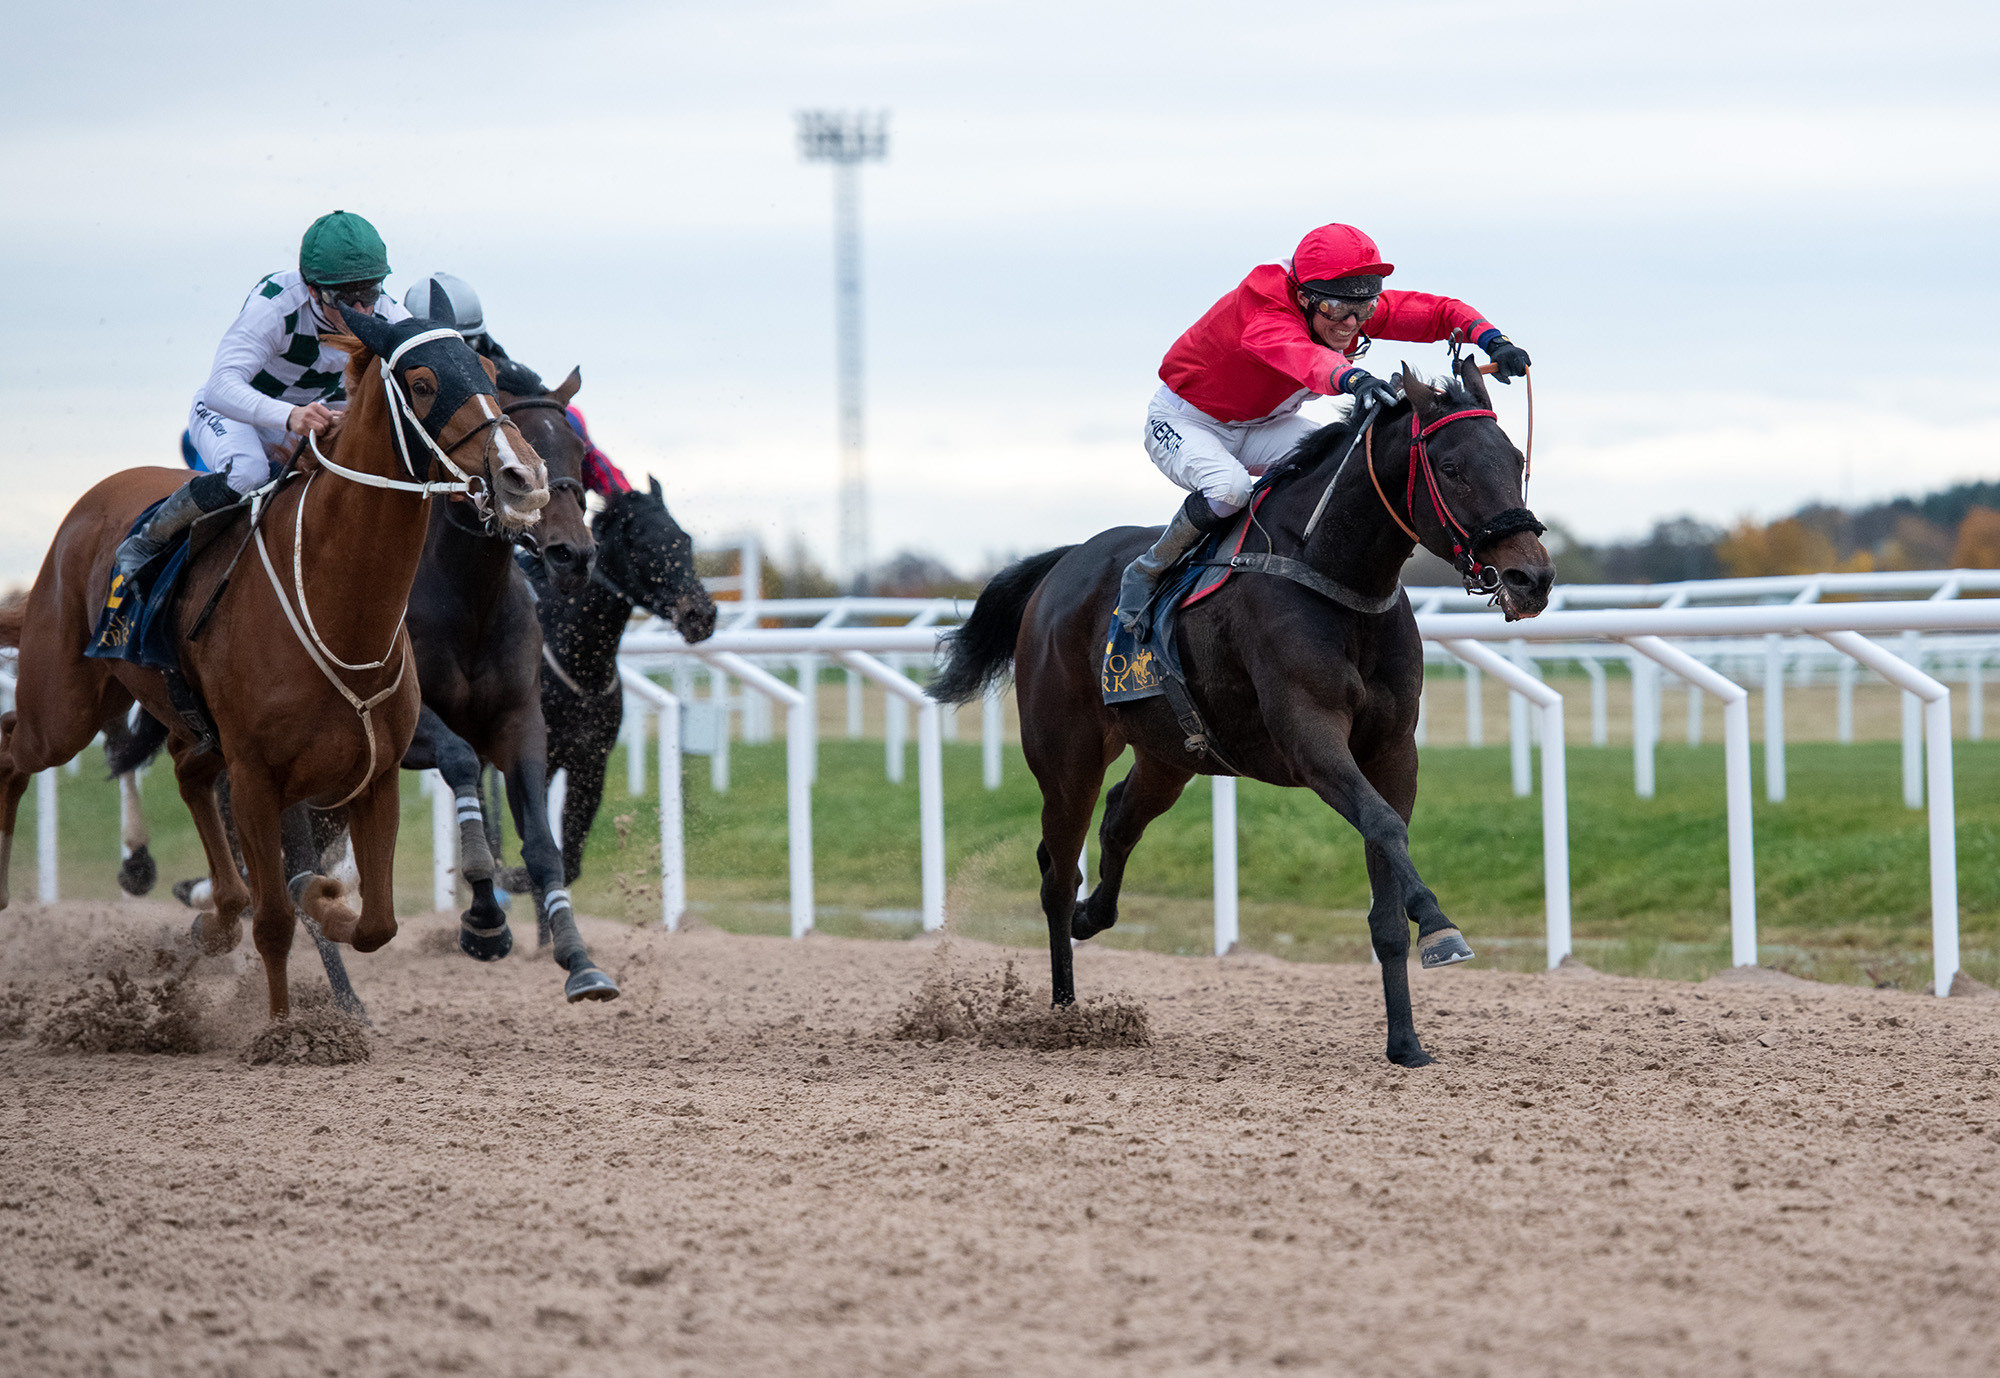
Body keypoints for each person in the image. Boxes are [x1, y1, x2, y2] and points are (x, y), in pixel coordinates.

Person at [1116, 222, 1531, 632]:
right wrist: (1354, 380)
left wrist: (1493, 340)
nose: (1349, 324)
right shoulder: (1263, 311)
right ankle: (1149, 570)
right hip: (1185, 421)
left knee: (1341, 465)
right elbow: (1301, 356)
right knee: (1229, 490)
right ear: (1304, 297)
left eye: (1364, 310)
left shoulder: (1339, 301)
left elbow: (1436, 312)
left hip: (1265, 424)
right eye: (1335, 311)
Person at [116, 210, 407, 585]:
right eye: (343, 297)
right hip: (238, 412)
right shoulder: (276, 306)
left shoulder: (388, 312)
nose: (360, 311)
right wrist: (291, 417)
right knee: (247, 473)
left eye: (368, 293)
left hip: (313, 415)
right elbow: (221, 386)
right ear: (312, 289)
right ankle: (148, 540)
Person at [404, 273, 636, 498]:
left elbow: (603, 473)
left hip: (529, 517)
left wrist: (633, 507)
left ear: (478, 341)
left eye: (463, 346)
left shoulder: (511, 384)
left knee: (571, 420)